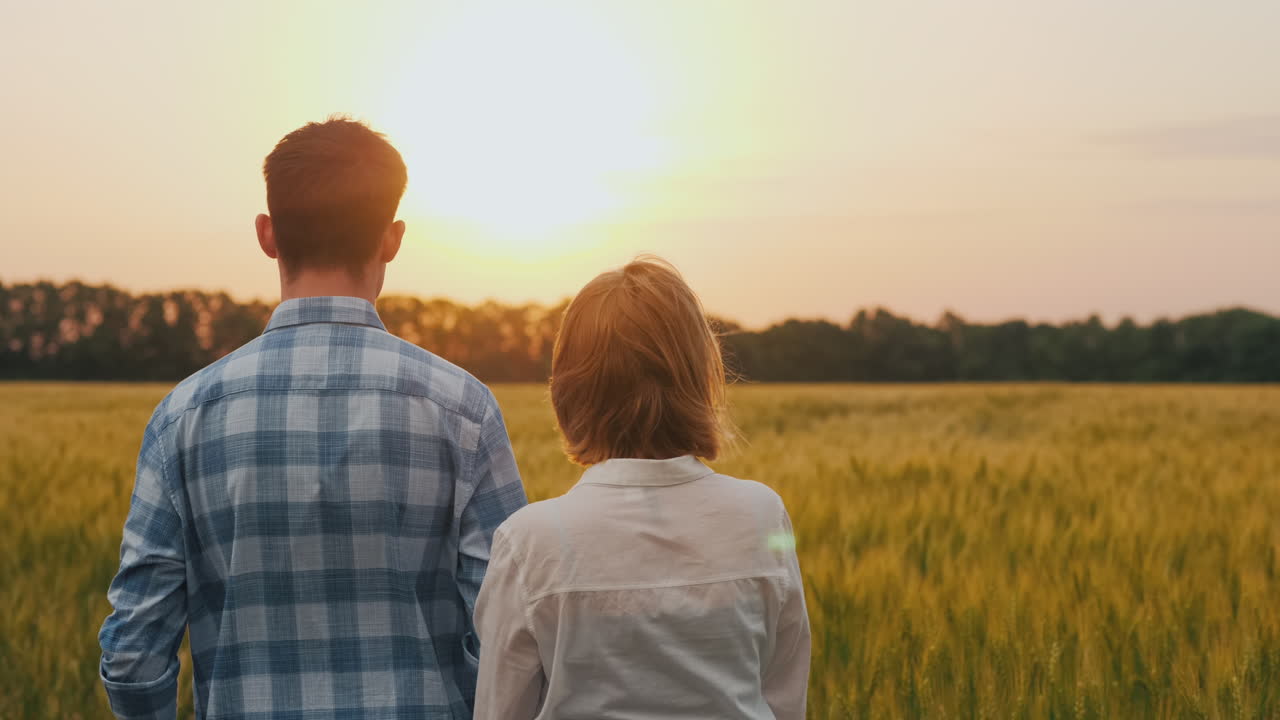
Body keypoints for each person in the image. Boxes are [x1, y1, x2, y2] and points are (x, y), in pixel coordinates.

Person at [98, 117, 527, 720]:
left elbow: (134, 655)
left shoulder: (183, 418)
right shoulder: (464, 408)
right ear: (392, 239)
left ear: (267, 235)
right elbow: (510, 632)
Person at [473, 257, 811, 719]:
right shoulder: (763, 515)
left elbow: (500, 711)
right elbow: (784, 700)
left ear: (569, 389)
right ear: (698, 378)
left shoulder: (528, 541)